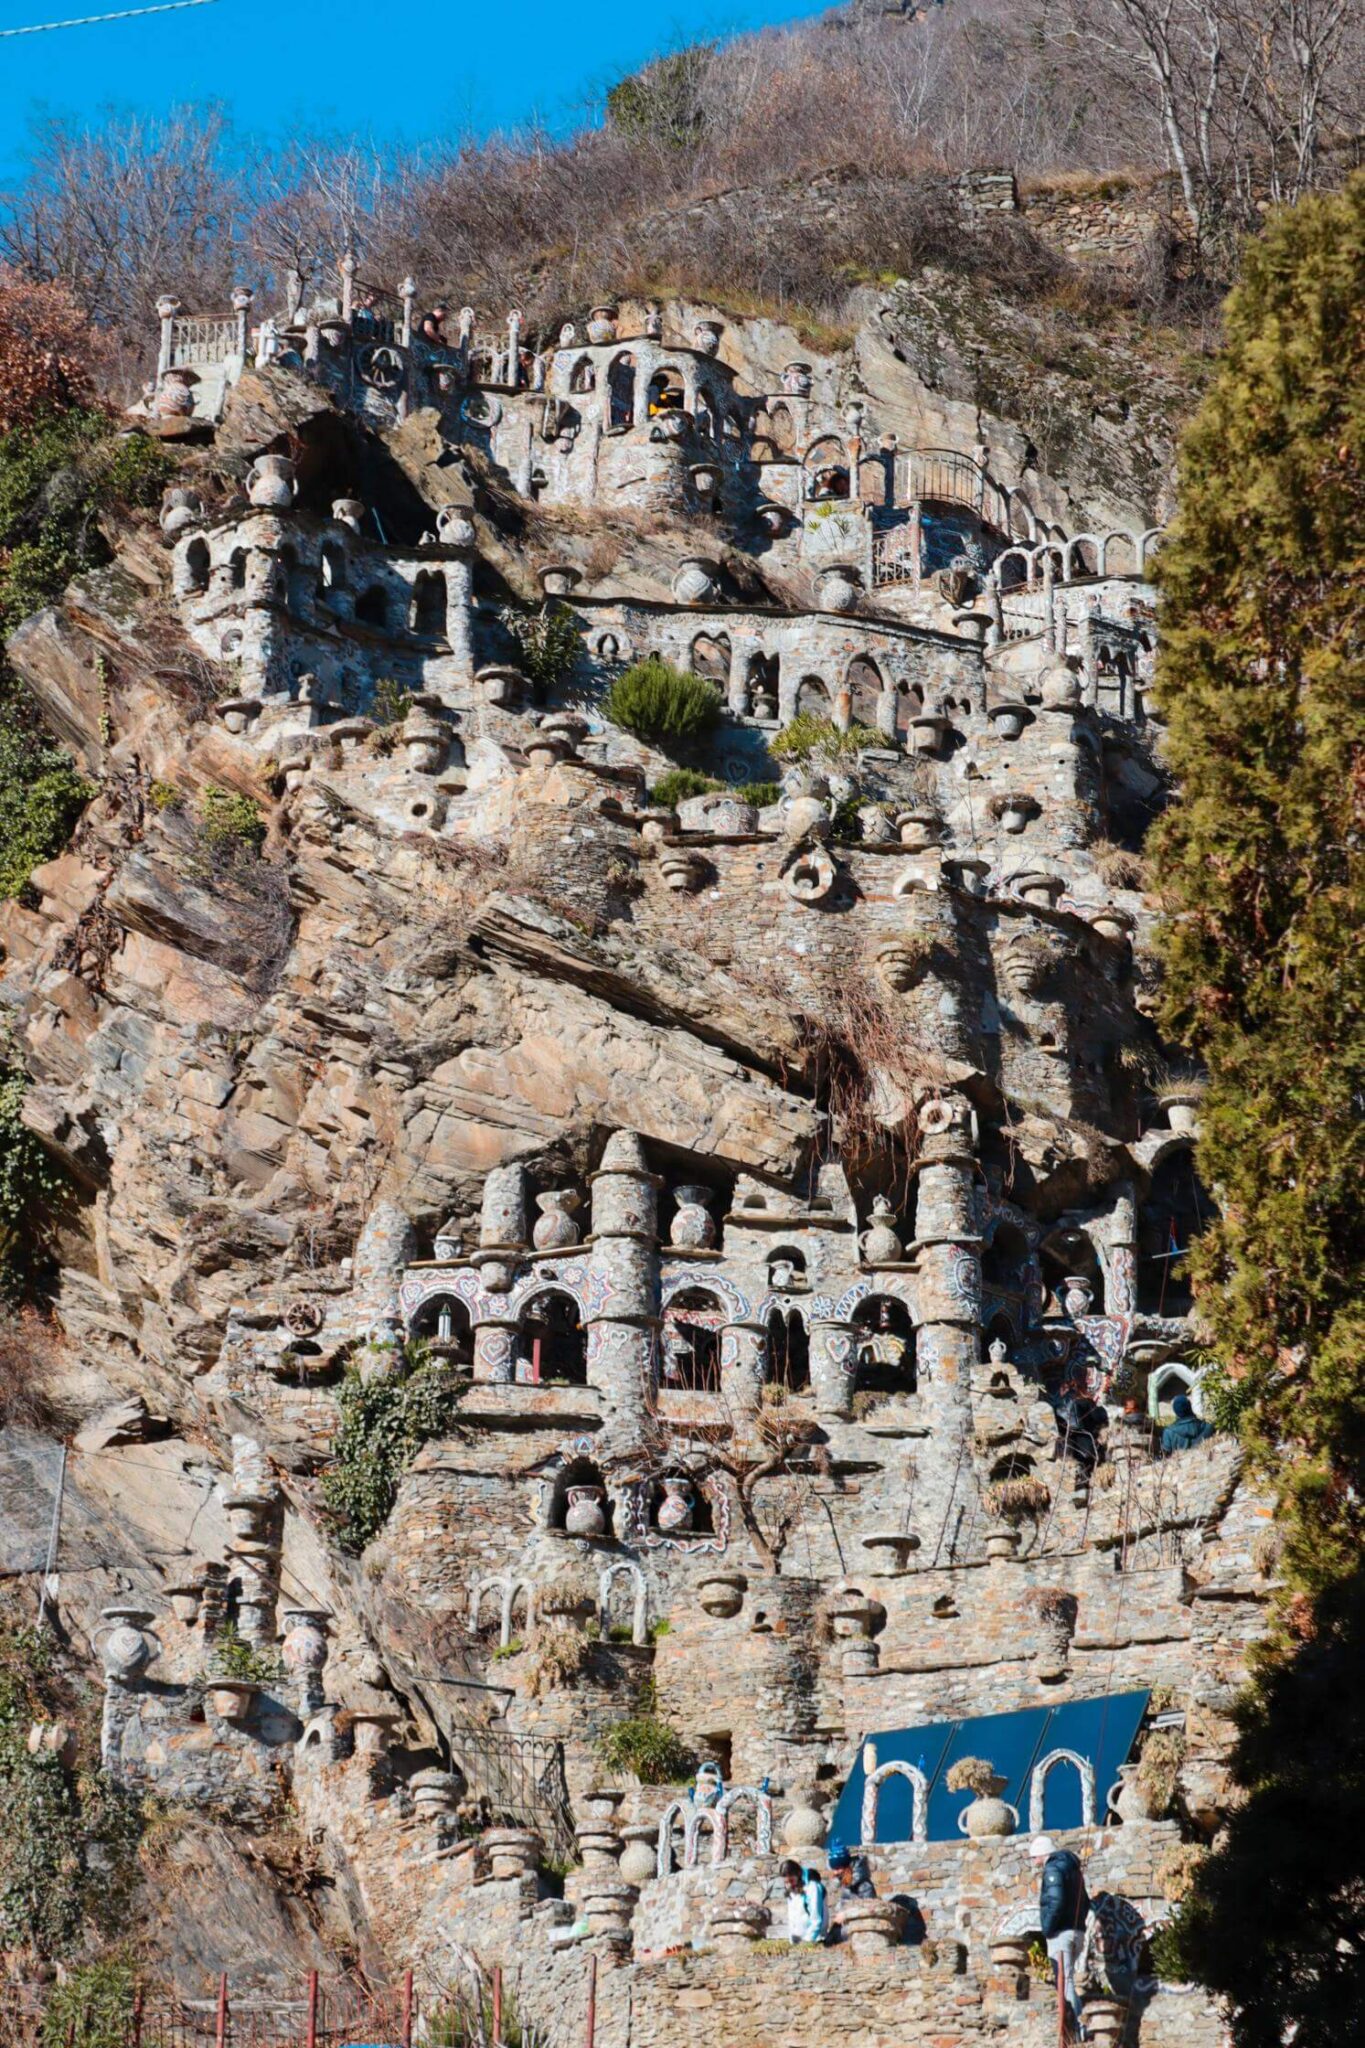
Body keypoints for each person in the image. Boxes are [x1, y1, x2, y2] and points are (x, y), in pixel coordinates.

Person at [1031, 1834, 1091, 2038]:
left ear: (1041, 1853)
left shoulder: (1053, 1869)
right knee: (1068, 1981)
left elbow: (1055, 1901)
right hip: (1077, 1932)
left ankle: (1080, 2028)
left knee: (1064, 1982)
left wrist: (1047, 1929)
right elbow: (1086, 1902)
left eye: (1034, 1856)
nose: (1033, 1861)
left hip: (1061, 1934)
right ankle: (1078, 2026)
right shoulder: (1073, 1869)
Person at [1055, 1378, 1107, 1474]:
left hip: (1069, 1448)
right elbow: (1101, 1416)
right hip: (1086, 1446)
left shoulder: (1059, 1407)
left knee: (1076, 1475)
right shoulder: (1085, 1403)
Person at [780, 1859, 827, 1944]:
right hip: (797, 1940)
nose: (789, 1885)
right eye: (786, 1882)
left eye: (791, 1881)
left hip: (814, 1940)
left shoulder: (813, 1887)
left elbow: (816, 1917)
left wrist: (808, 1941)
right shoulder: (791, 1888)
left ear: (798, 1874)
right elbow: (792, 1916)